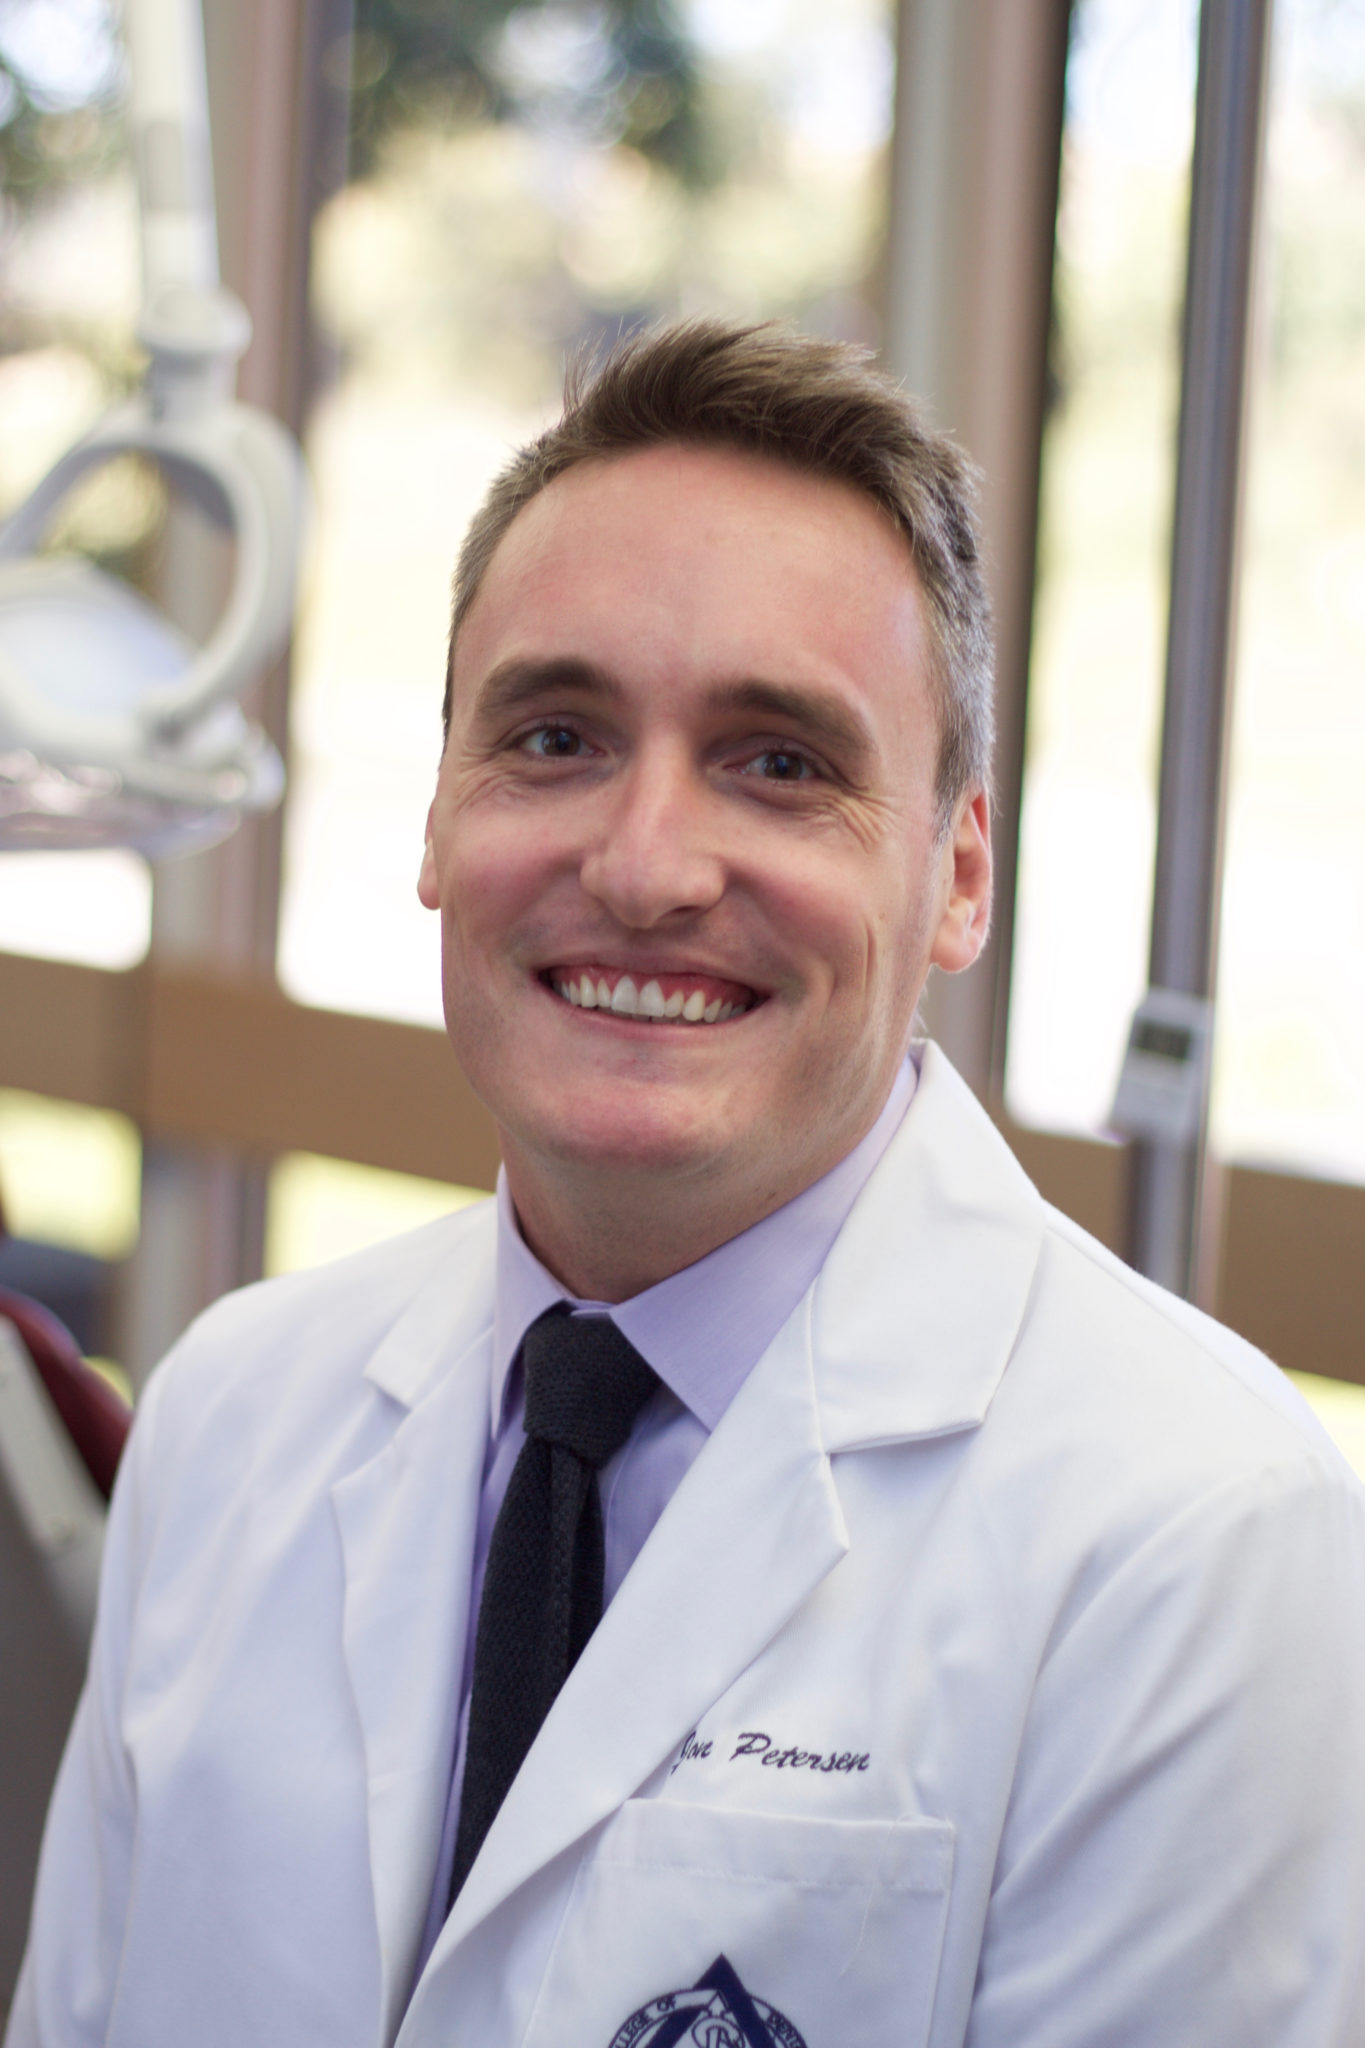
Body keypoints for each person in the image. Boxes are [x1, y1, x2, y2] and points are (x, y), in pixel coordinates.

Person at [9, 320, 1365, 2048]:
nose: (645, 867)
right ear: (435, 822)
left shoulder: (1193, 1533)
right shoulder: (232, 1409)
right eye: (554, 738)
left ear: (957, 878)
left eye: (779, 762)